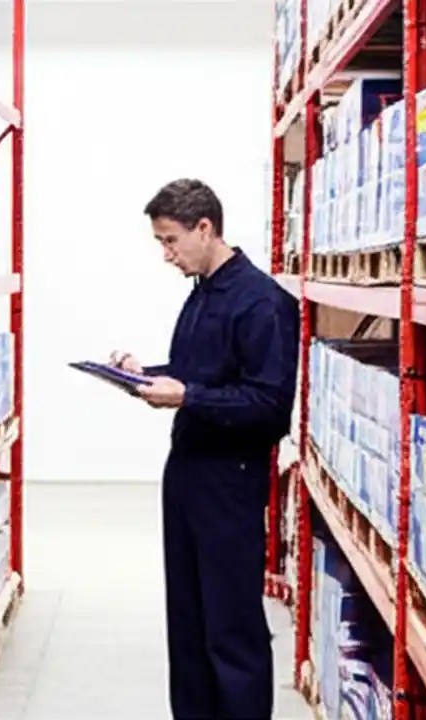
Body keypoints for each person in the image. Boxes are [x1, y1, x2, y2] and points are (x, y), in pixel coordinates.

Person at [111, 178, 299, 720]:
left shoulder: (262, 303)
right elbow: (200, 375)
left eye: (170, 241)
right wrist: (145, 375)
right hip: (188, 471)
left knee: (231, 625)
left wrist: (187, 395)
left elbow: (269, 403)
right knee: (189, 620)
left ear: (205, 228)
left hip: (230, 481)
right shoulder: (200, 295)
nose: (166, 255)